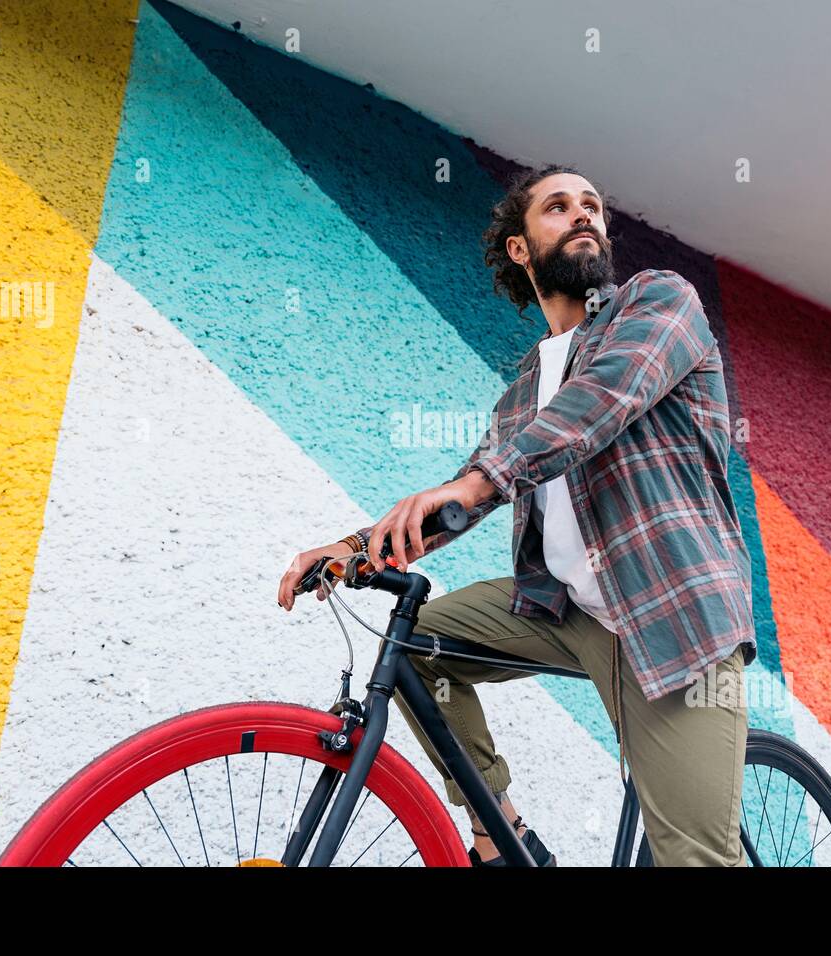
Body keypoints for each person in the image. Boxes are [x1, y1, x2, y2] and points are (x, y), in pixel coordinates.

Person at [278, 164, 756, 866]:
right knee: (415, 642)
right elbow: (459, 501)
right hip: (564, 612)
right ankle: (501, 836)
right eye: (558, 207)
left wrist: (474, 485)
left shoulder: (659, 303)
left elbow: (600, 405)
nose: (584, 214)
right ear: (521, 249)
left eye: (592, 204)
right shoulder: (527, 387)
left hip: (668, 614)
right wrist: (350, 550)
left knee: (693, 858)